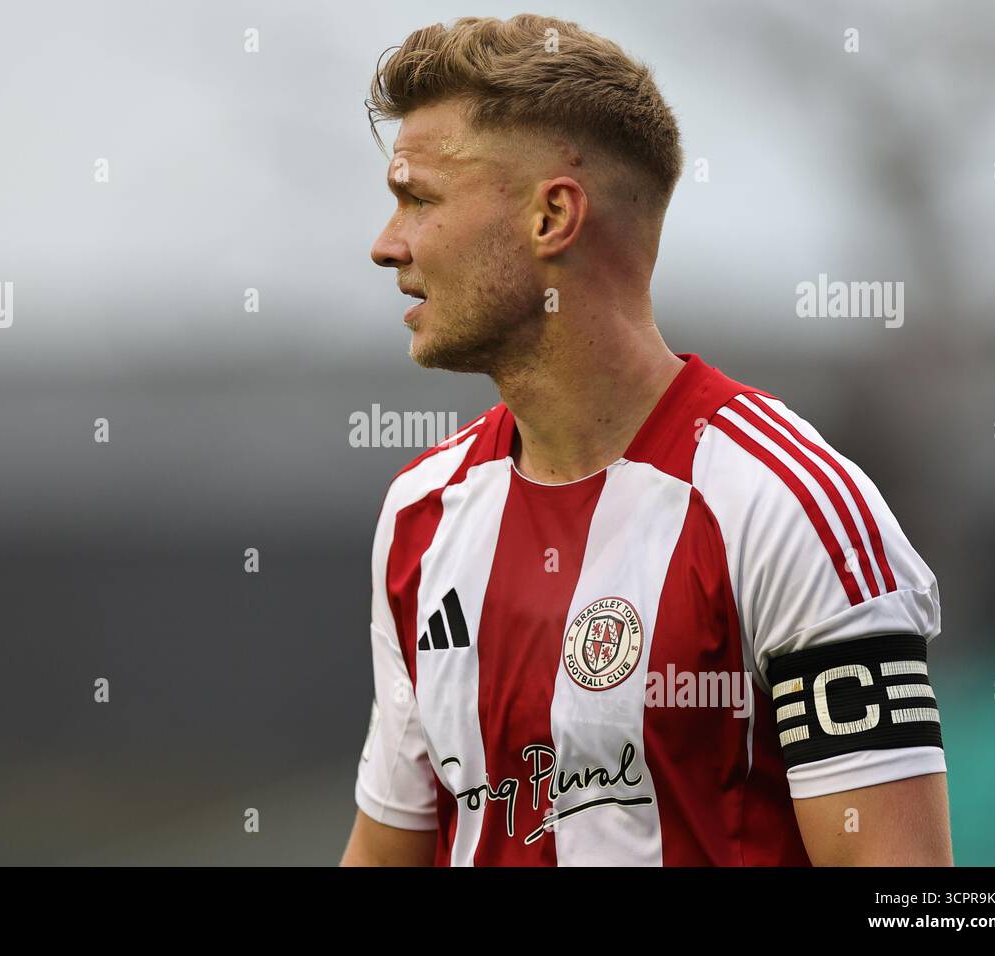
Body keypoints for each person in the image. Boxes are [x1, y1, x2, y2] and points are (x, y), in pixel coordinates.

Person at [341, 14, 950, 866]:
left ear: (553, 217)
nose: (385, 244)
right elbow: (387, 852)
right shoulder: (421, 515)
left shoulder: (788, 507)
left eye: (419, 199)